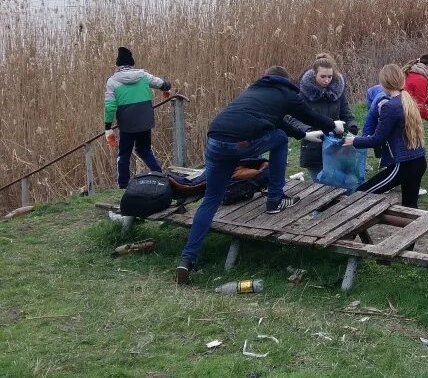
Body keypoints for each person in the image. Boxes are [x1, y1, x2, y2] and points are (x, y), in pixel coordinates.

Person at [177, 66, 342, 284]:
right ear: (286, 81)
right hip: (241, 142)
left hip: (215, 139)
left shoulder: (254, 91)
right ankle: (275, 199)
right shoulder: (287, 93)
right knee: (279, 138)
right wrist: (333, 126)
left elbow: (276, 120)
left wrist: (303, 134)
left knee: (211, 199)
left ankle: (187, 259)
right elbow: (310, 116)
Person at [345, 64, 427, 208]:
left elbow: (377, 139)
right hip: (419, 161)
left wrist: (354, 141)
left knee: (360, 195)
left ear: (383, 84)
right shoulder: (408, 100)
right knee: (410, 207)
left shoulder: (390, 107)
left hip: (402, 165)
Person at [103, 46, 173, 189]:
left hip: (126, 124)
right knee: (144, 150)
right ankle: (159, 175)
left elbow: (110, 107)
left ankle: (123, 185)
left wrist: (108, 128)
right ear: (132, 63)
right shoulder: (143, 76)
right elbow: (163, 84)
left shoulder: (112, 82)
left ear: (118, 64)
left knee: (124, 155)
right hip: (145, 121)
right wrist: (166, 89)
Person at [290, 53, 358, 180]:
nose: (326, 80)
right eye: (323, 76)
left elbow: (346, 113)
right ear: (314, 74)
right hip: (313, 145)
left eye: (330, 77)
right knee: (320, 184)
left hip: (336, 144)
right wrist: (308, 131)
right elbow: (294, 118)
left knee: (340, 183)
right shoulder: (303, 93)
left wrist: (351, 127)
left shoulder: (338, 90)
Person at [403, 53, 428, 123]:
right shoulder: (421, 80)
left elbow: (413, 94)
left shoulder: (410, 72)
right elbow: (420, 108)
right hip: (408, 116)